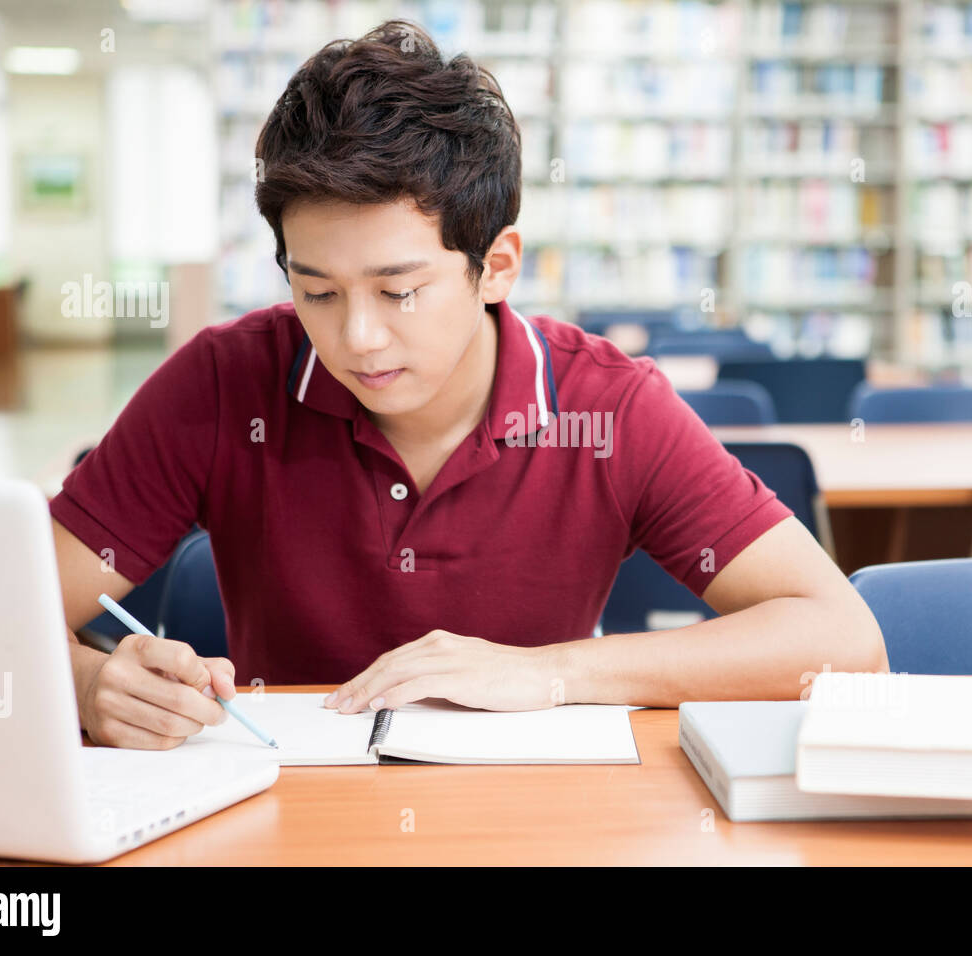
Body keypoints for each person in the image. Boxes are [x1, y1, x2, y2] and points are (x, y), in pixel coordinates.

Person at [55, 19, 886, 749]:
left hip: (525, 825)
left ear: (496, 266)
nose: (357, 338)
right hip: (288, 822)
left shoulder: (606, 407)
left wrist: (549, 674)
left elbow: (843, 640)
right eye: (317, 291)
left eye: (399, 290)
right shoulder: (221, 383)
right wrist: (91, 687)